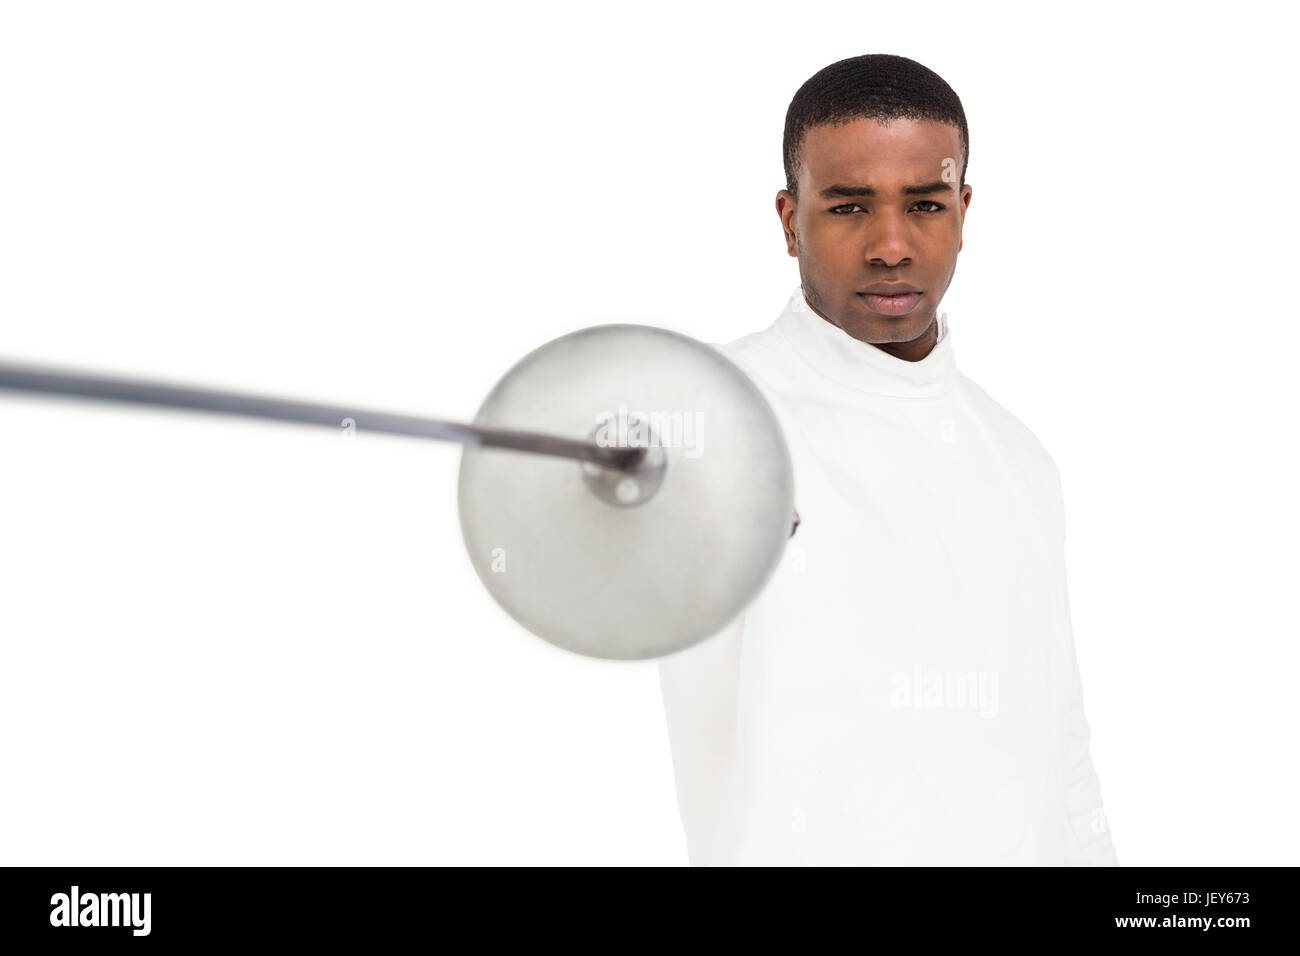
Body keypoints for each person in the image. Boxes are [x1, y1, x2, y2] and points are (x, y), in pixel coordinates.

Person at [656, 53, 1118, 866]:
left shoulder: (1020, 459)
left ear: (964, 210)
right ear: (789, 219)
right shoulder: (707, 414)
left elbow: (1062, 749)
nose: (892, 246)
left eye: (926, 203)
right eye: (848, 207)